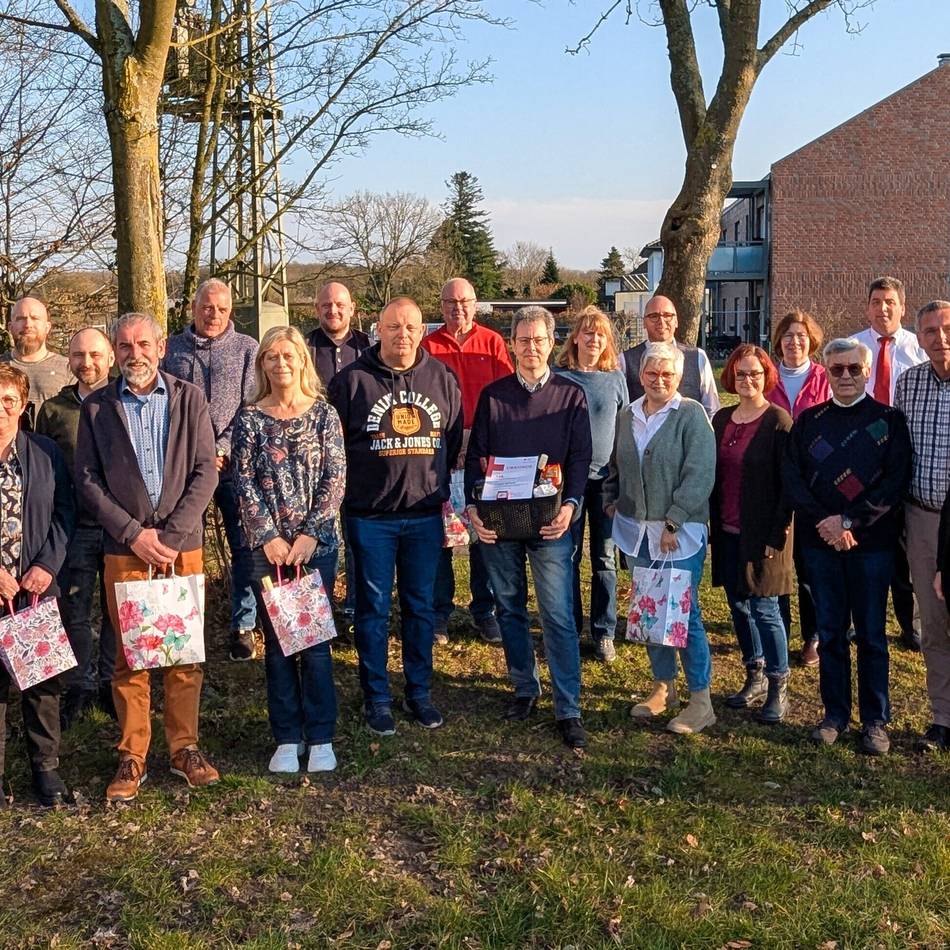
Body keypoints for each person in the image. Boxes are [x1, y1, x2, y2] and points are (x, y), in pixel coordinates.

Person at [76, 312, 220, 802]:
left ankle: (184, 748)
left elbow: (205, 472)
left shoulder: (189, 398)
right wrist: (134, 535)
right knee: (129, 655)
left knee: (184, 653)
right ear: (116, 353)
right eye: (124, 346)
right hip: (126, 549)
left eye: (143, 344)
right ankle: (132, 752)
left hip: (183, 547)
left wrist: (174, 536)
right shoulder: (97, 408)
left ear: (161, 348)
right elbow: (89, 482)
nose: (134, 354)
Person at [328, 297, 462, 737]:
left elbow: (453, 437)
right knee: (372, 610)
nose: (402, 335)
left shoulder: (441, 377)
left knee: (420, 608)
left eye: (410, 327)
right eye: (393, 327)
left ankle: (419, 691)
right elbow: (336, 448)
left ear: (422, 330)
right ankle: (376, 696)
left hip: (424, 516)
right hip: (371, 517)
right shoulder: (351, 382)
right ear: (377, 329)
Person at [466, 305, 593, 749]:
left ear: (552, 342)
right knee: (510, 609)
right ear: (512, 344)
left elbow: (580, 458)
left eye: (539, 340)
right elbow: (475, 455)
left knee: (557, 615)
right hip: (501, 522)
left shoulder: (571, 395)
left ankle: (568, 706)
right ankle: (524, 687)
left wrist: (573, 505)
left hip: (551, 522)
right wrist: (472, 507)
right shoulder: (494, 396)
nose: (532, 348)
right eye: (523, 340)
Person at [784, 337, 911, 755]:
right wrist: (826, 522)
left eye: (853, 369)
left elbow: (894, 481)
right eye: (836, 369)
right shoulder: (808, 422)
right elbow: (793, 479)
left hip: (872, 545)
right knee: (831, 632)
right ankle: (835, 713)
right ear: (826, 371)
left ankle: (875, 720)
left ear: (867, 371)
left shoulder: (889, 421)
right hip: (820, 544)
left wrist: (851, 520)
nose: (845, 377)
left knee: (872, 635)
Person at [232, 327, 346, 773]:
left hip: (314, 548)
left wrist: (311, 534)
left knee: (315, 644)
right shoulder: (249, 419)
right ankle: (285, 735)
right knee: (279, 645)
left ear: (302, 360)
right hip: (270, 550)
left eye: (288, 356)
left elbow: (334, 478)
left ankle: (320, 734)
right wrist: (270, 537)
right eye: (271, 358)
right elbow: (242, 482)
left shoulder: (324, 416)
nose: (280, 365)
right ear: (262, 365)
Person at [604, 341, 717, 735]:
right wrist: (610, 499)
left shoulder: (690, 415)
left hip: (677, 533)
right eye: (651, 373)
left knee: (684, 613)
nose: (658, 380)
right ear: (641, 375)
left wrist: (674, 521)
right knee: (651, 610)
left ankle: (701, 699)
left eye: (667, 374)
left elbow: (700, 472)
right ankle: (663, 687)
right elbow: (616, 463)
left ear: (678, 377)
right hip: (637, 532)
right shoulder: (627, 415)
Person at [163, 278, 259, 662]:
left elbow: (251, 404)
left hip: (233, 465)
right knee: (186, 546)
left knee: (244, 545)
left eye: (221, 308)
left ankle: (244, 625)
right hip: (184, 468)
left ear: (230, 310)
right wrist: (195, 454)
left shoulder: (247, 348)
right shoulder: (172, 349)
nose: (213, 314)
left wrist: (220, 450)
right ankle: (185, 625)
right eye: (207, 307)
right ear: (194, 309)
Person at [422, 277, 513, 645]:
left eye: (465, 301)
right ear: (441, 305)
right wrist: (449, 442)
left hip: (483, 448)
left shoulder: (491, 343)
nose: (458, 308)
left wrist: (478, 443)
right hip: (437, 450)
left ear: (475, 305)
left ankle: (483, 610)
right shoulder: (427, 345)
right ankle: (439, 612)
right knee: (440, 535)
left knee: (484, 533)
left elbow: (505, 398)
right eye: (450, 302)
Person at [35, 328, 117, 726]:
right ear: (68, 359)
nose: (88, 362)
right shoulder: (53, 410)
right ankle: (80, 685)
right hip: (75, 526)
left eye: (95, 354)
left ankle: (111, 682)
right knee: (75, 610)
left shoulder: (123, 401)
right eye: (79, 355)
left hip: (121, 526)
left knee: (118, 610)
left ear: (110, 357)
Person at [0, 364, 73, 807]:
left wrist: (47, 565)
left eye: (8, 401)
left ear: (23, 406)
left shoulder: (44, 452)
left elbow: (65, 512)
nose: (0, 410)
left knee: (41, 686)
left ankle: (46, 769)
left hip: (33, 589)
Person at [711, 345, 793, 722]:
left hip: (763, 534)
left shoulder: (778, 420)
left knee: (765, 608)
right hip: (727, 530)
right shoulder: (722, 418)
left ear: (766, 376)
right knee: (739, 606)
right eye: (741, 374)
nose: (748, 380)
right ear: (731, 377)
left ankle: (779, 684)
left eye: (755, 374)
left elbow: (788, 484)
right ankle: (754, 673)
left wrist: (776, 535)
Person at [854, 276, 925, 652]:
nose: (883, 309)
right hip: (862, 458)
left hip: (906, 456)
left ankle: (908, 623)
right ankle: (864, 618)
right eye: (876, 301)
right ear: (867, 306)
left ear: (902, 307)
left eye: (890, 302)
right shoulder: (853, 348)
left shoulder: (919, 349)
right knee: (862, 541)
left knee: (903, 547)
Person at [553, 305, 627, 662]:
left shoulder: (614, 379)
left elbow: (625, 429)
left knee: (605, 558)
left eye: (600, 334)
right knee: (567, 556)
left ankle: (604, 631)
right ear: (576, 337)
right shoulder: (559, 377)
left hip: (605, 482)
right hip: (567, 483)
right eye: (587, 332)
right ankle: (570, 627)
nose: (594, 339)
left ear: (607, 341)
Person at [894, 300, 950, 752]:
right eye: (930, 331)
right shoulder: (908, 384)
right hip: (922, 520)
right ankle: (942, 716)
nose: (940, 338)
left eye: (946, 328)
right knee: (932, 622)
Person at [766, 309, 830, 667]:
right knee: (777, 559)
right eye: (788, 336)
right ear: (779, 341)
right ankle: (779, 628)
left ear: (812, 340)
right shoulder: (768, 378)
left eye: (801, 336)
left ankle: (813, 637)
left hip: (813, 482)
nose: (794, 342)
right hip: (773, 481)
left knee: (809, 563)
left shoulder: (824, 376)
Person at [306, 281, 370, 629]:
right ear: (317, 309)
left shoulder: (368, 348)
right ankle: (319, 610)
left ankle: (356, 607)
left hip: (360, 459)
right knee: (320, 537)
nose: (333, 311)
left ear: (352, 307)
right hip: (315, 463)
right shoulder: (305, 348)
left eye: (340, 305)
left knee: (357, 537)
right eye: (326, 305)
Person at [621, 295, 720, 419]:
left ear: (676, 321)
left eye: (667, 315)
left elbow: (712, 409)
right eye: (654, 316)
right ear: (644, 323)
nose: (661, 322)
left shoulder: (697, 357)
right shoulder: (625, 360)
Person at [1, 296, 71, 428]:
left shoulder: (68, 368)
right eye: (21, 318)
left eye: (35, 318)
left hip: (52, 447)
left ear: (47, 327)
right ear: (10, 326)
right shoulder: (1, 366)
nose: (28, 324)